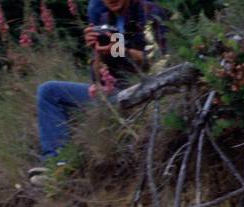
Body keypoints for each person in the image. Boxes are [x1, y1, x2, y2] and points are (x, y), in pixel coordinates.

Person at [30, 0, 165, 186]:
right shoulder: (100, 13)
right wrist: (99, 51)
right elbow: (97, 76)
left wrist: (121, 49)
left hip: (145, 92)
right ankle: (59, 166)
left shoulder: (149, 11)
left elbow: (162, 60)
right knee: (48, 91)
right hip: (112, 92)